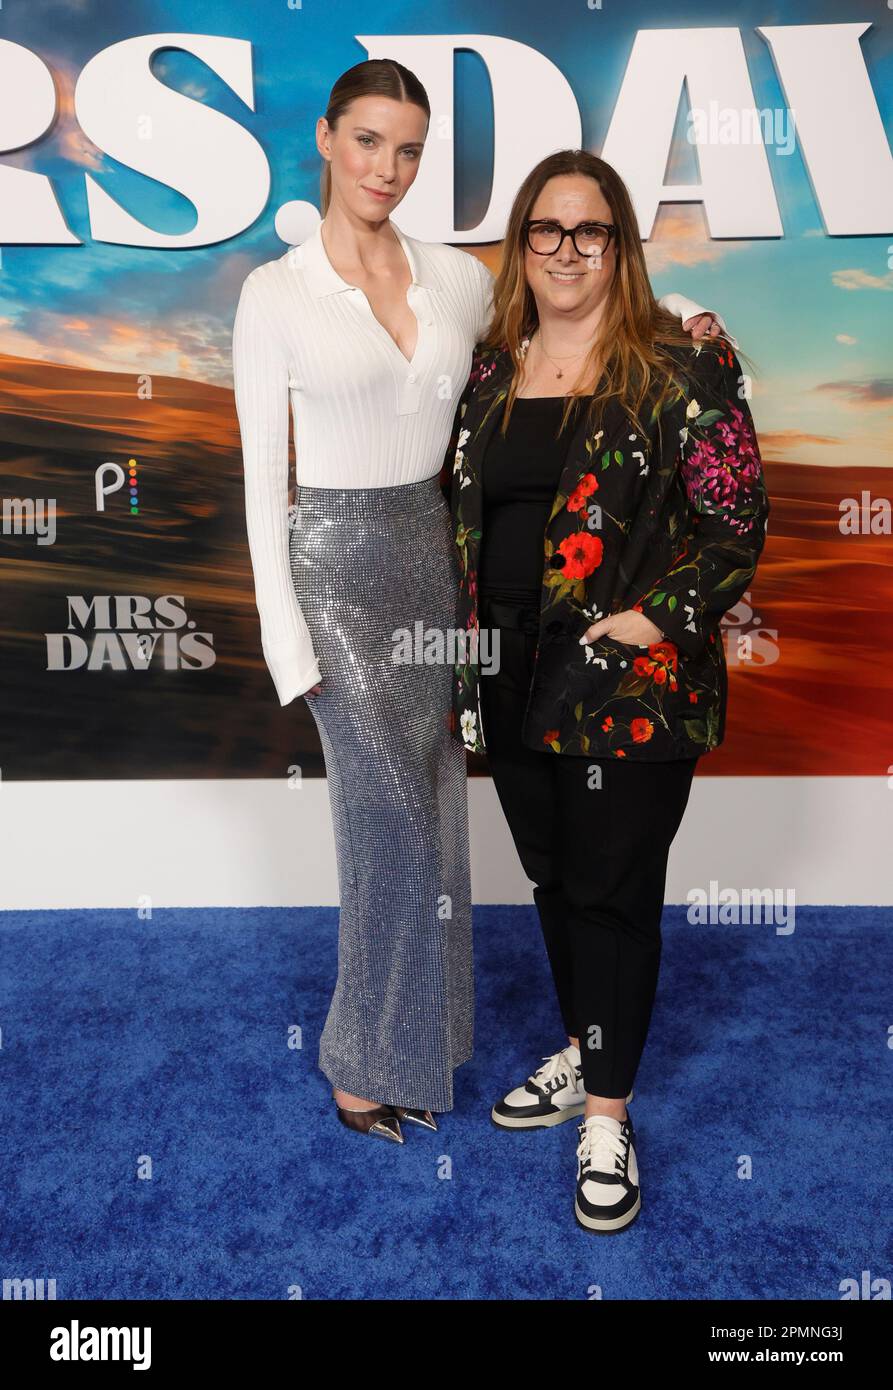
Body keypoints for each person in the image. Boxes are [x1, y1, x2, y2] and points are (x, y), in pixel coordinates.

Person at [232, 59, 725, 1145]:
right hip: (336, 569)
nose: (387, 168)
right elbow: (261, 482)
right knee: (385, 825)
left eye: (407, 149)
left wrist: (685, 311)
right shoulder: (276, 293)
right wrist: (285, 637)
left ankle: (432, 1044)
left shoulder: (453, 279)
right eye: (367, 142)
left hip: (435, 565)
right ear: (326, 139)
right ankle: (360, 1057)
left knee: (442, 825)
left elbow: (568, 316)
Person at [447, 149, 769, 1228]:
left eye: (590, 231)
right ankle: (582, 1046)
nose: (566, 250)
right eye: (547, 229)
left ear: (619, 245)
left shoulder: (679, 367)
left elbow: (735, 530)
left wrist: (643, 623)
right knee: (551, 879)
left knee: (611, 893)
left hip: (621, 684)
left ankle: (605, 1116)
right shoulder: (492, 372)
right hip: (506, 674)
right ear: (520, 246)